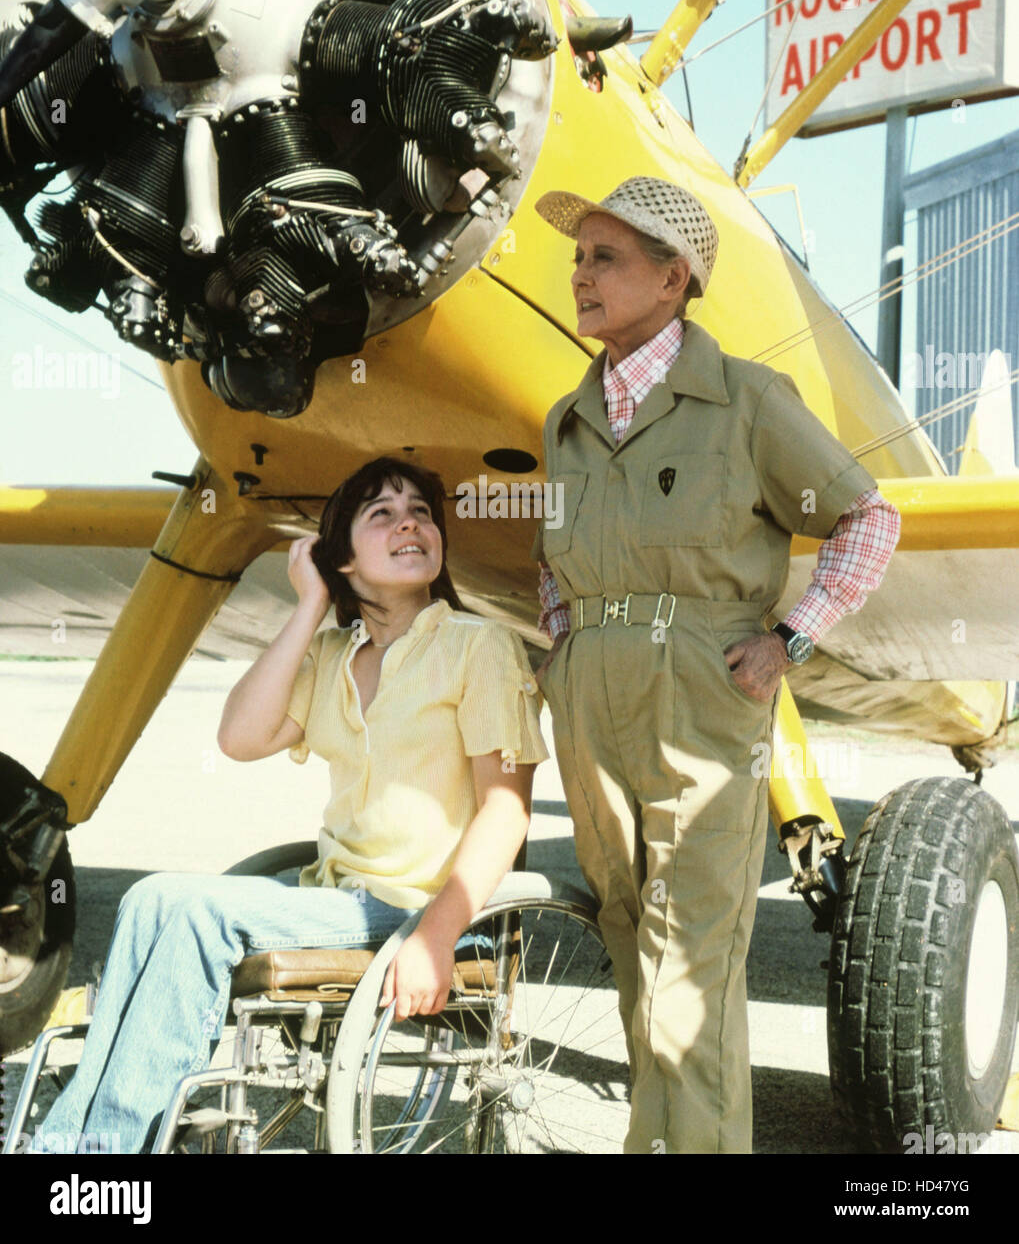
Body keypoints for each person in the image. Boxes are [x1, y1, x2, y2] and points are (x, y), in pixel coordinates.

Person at [531, 176, 900, 1155]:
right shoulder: (562, 423)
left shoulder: (747, 400)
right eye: (578, 257)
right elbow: (554, 563)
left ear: (671, 276)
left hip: (699, 694)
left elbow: (867, 515)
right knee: (629, 948)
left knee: (687, 973)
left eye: (603, 257)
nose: (579, 274)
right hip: (587, 705)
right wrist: (563, 649)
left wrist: (790, 637)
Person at [33, 456, 546, 1153]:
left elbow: (506, 810)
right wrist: (308, 608)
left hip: (418, 909)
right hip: (334, 900)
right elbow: (240, 737)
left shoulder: (479, 647)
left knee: (192, 909)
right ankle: (72, 1147)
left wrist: (435, 933)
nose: (410, 523)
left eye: (421, 512)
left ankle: (97, 1157)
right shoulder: (334, 654)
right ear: (343, 563)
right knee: (151, 900)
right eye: (383, 514)